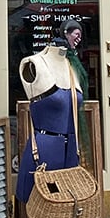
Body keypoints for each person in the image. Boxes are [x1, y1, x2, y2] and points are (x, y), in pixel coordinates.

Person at [15, 43, 87, 204]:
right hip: (44, 151)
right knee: (41, 205)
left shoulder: (70, 66)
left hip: (71, 150)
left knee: (69, 206)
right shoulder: (34, 62)